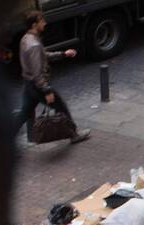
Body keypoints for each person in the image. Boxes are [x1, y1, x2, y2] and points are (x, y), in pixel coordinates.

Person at [15, 9, 89, 143]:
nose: (45, 23)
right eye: (42, 21)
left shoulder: (26, 39)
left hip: (28, 84)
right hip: (38, 86)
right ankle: (74, 135)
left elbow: (43, 56)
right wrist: (47, 90)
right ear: (34, 25)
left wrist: (63, 54)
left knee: (24, 113)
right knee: (61, 107)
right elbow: (37, 73)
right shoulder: (34, 45)